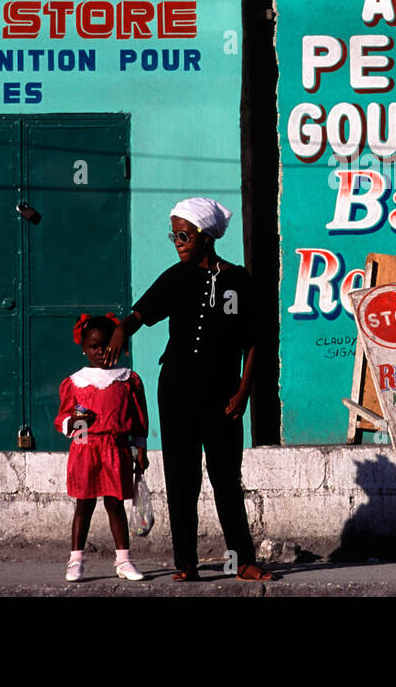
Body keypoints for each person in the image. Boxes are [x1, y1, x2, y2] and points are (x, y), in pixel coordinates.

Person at [106, 197, 273, 582]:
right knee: (182, 479)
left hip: (223, 397)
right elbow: (138, 315)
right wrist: (120, 329)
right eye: (173, 236)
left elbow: (254, 342)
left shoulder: (238, 280)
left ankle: (242, 560)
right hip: (177, 393)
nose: (178, 243)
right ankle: (186, 563)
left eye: (183, 235)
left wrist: (244, 392)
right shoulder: (174, 278)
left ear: (204, 236)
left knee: (225, 478)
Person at [55, 313, 150, 583]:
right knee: (83, 506)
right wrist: (72, 421)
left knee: (115, 504)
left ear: (116, 344)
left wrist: (140, 450)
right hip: (84, 448)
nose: (100, 351)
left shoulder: (128, 379)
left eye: (105, 345)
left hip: (116, 449)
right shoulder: (76, 381)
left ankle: (124, 560)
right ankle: (76, 561)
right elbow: (62, 418)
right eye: (93, 346)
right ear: (83, 347)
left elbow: (139, 419)